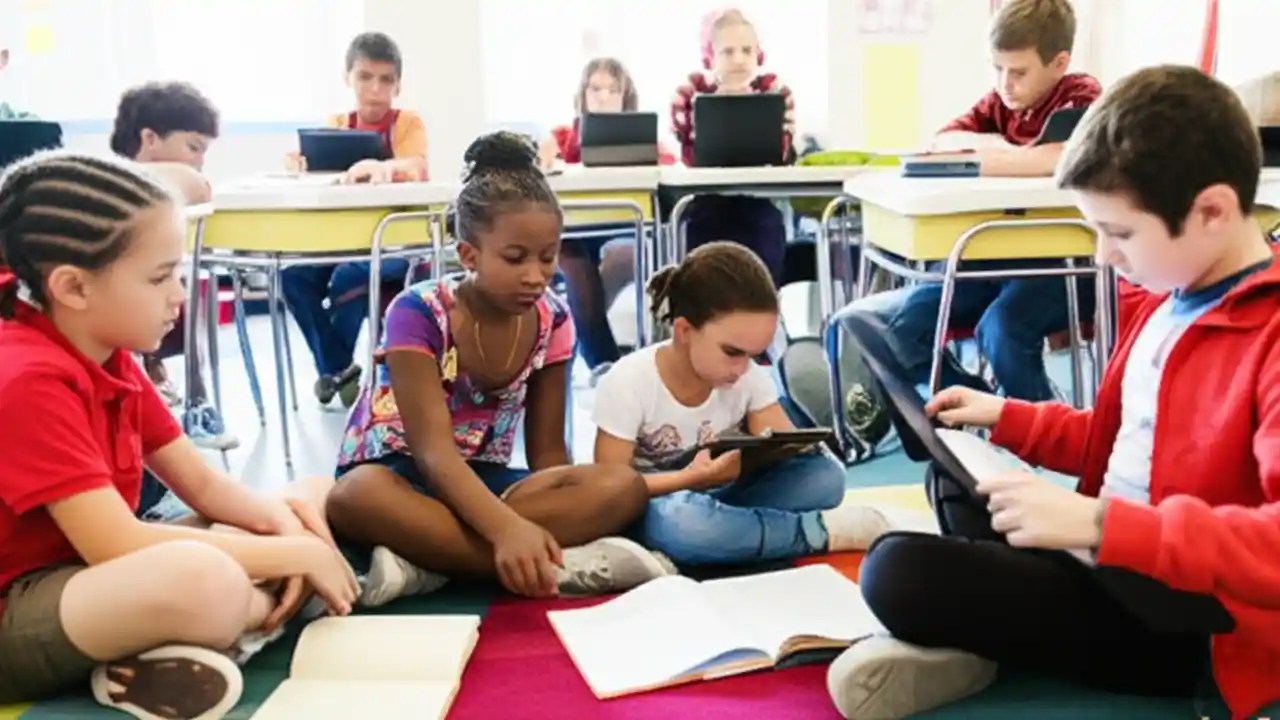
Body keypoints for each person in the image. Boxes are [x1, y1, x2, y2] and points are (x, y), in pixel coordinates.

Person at [826, 66, 1280, 720]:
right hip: (1111, 553)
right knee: (959, 474)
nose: (1102, 257)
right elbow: (1124, 439)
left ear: (1211, 210)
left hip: (1194, 619)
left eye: (1118, 234)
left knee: (896, 570)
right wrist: (1006, 418)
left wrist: (1101, 526)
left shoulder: (1267, 332)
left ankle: (982, 638)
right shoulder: (1172, 299)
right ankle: (992, 630)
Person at [0, 152, 359, 717]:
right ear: (73, 287)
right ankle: (252, 612)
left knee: (307, 495)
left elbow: (209, 490)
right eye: (160, 276)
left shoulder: (110, 354)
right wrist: (290, 552)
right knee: (205, 580)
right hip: (17, 604)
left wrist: (289, 533)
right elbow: (117, 544)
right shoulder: (25, 378)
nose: (181, 295)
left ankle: (182, 640)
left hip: (85, 575)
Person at [326, 131, 672, 606]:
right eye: (515, 259)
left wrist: (567, 495)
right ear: (470, 256)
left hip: (486, 481)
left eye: (548, 257)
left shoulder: (555, 319)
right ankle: (558, 566)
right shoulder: (417, 311)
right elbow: (433, 454)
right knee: (354, 495)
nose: (535, 274)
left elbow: (548, 450)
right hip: (403, 474)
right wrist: (508, 530)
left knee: (622, 487)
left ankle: (428, 563)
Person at [831, 0, 1102, 405]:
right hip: (991, 262)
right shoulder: (998, 102)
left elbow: (1065, 158)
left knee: (1001, 330)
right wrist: (1012, 153)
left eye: (1018, 72)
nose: (1005, 83)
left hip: (1063, 267)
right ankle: (979, 406)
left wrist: (991, 155)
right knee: (903, 331)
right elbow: (944, 142)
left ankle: (1043, 434)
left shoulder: (1082, 93)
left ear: (1059, 63)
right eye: (997, 69)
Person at [593, 241, 904, 567]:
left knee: (826, 478)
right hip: (660, 505)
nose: (742, 368)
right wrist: (688, 479)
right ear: (684, 330)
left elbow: (776, 440)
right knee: (683, 522)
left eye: (754, 355)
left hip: (726, 496)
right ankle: (814, 533)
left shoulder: (747, 376)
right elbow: (608, 490)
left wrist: (790, 447)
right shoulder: (629, 381)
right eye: (732, 352)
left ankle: (734, 536)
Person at [281, 31, 425, 407]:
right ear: (348, 77)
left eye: (386, 80)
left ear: (397, 85)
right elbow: (307, 164)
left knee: (350, 274)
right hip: (338, 240)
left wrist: (384, 166)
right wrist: (298, 164)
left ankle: (333, 370)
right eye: (365, 77)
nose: (375, 89)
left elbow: (417, 166)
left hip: (395, 243)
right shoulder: (335, 121)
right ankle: (340, 365)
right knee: (292, 276)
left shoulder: (407, 123)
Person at [110, 80, 238, 451]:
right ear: (149, 139)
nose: (199, 160)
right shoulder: (114, 182)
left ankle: (158, 379)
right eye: (193, 147)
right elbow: (194, 184)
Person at [537, 57, 669, 379]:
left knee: (623, 255)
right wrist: (545, 156)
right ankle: (605, 365)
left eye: (613, 90)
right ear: (582, 94)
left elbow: (665, 164)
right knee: (568, 255)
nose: (603, 97)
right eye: (595, 89)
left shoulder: (641, 135)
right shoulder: (564, 135)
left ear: (626, 97)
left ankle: (578, 329)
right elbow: (541, 162)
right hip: (578, 229)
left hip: (625, 226)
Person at [670, 8, 795, 287]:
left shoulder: (774, 92)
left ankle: (763, 314)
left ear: (758, 55)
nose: (739, 60)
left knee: (767, 229)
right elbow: (688, 152)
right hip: (706, 201)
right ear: (710, 57)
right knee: (701, 242)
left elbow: (782, 155)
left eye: (747, 51)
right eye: (727, 52)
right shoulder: (691, 92)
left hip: (757, 199)